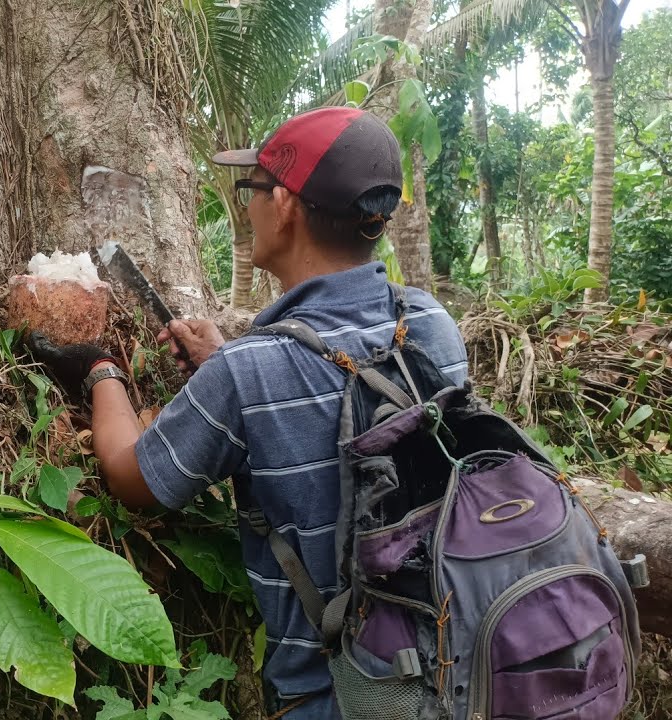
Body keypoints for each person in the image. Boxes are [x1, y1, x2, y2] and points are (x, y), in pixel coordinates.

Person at [27, 106, 469, 718]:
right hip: (443, 666)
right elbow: (331, 397)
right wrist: (229, 357)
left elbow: (133, 479)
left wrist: (100, 371)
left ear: (285, 204)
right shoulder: (429, 323)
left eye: (252, 187)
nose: (249, 205)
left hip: (331, 693)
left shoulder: (251, 372)